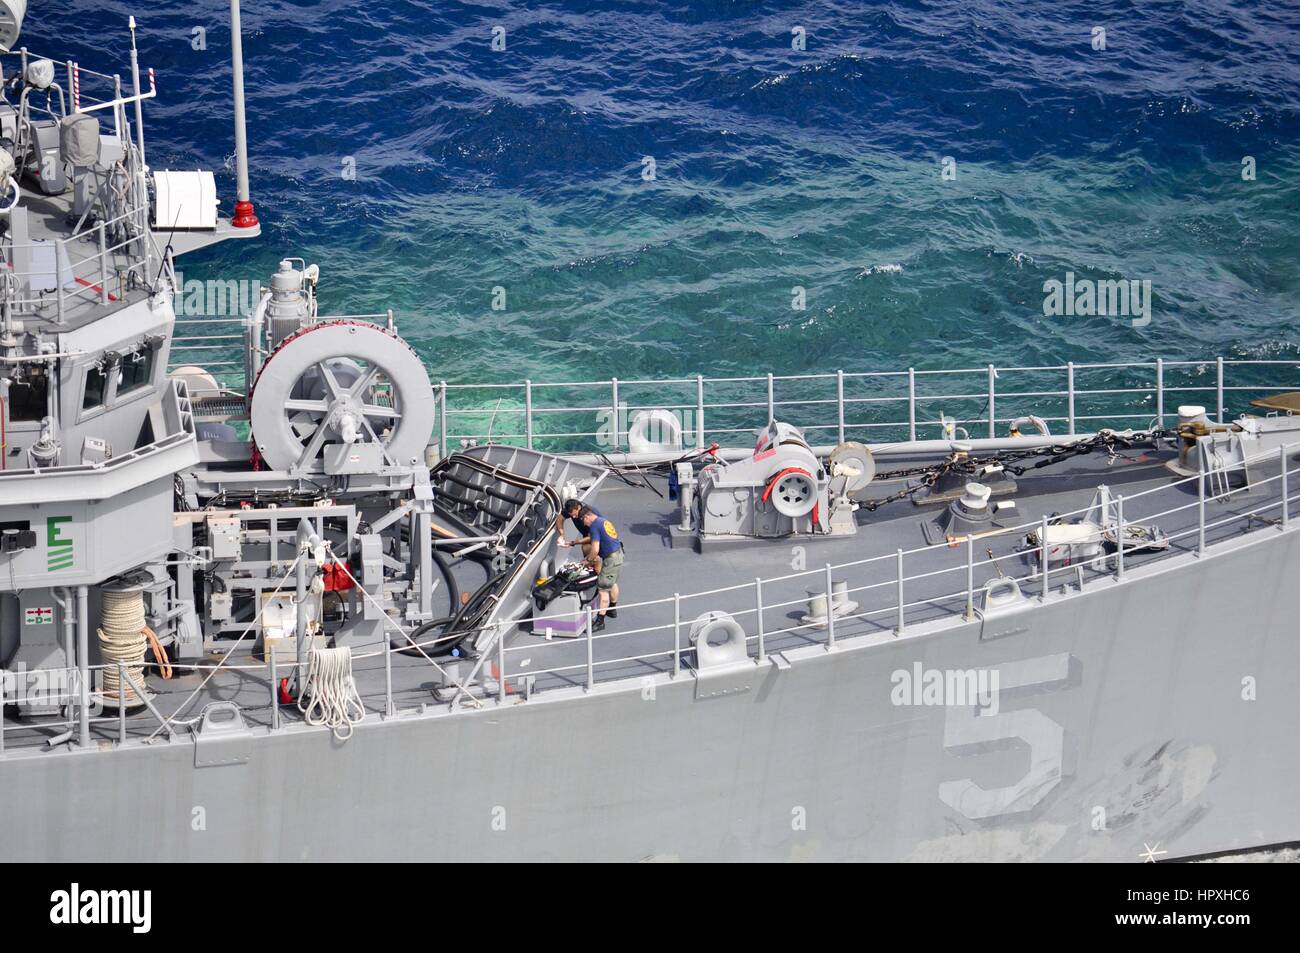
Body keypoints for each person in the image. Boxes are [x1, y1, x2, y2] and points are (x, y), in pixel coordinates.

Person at [579, 505, 623, 630]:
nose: (585, 524)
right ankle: (612, 610)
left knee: (603, 588)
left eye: (583, 521)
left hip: (611, 559)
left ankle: (600, 621)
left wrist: (588, 561)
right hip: (618, 555)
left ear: (587, 516)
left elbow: (595, 549)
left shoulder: (594, 526)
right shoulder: (603, 521)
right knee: (612, 582)